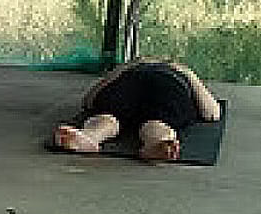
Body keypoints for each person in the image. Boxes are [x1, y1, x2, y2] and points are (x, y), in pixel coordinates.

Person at [53, 58, 221, 162]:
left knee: (109, 117)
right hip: (158, 83)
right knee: (156, 123)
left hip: (158, 83)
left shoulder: (174, 70)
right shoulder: (177, 70)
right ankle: (157, 142)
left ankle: (90, 136)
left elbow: (89, 100)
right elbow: (212, 113)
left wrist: (128, 67)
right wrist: (187, 73)